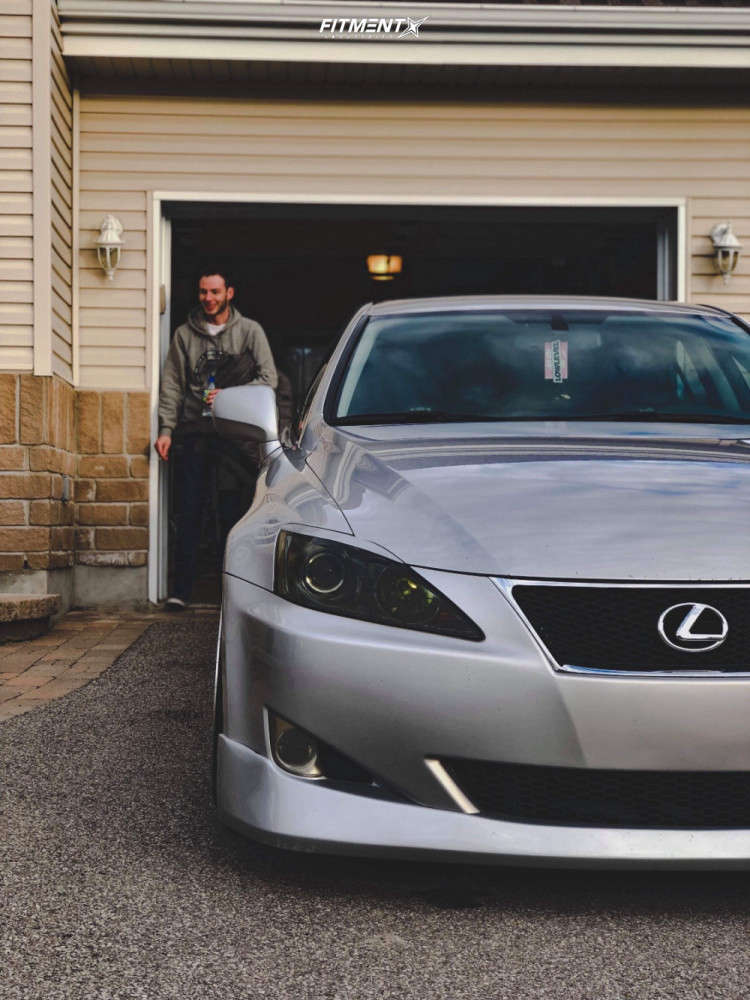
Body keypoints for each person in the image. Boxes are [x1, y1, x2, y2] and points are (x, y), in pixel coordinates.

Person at [155, 268, 277, 610]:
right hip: (194, 432)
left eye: (215, 292)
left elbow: (269, 380)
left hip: (233, 436)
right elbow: (172, 384)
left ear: (229, 293)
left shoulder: (250, 331)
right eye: (203, 292)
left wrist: (231, 394)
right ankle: (181, 591)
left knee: (232, 513)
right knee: (189, 511)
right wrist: (166, 429)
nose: (208, 298)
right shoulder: (183, 334)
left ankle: (233, 596)